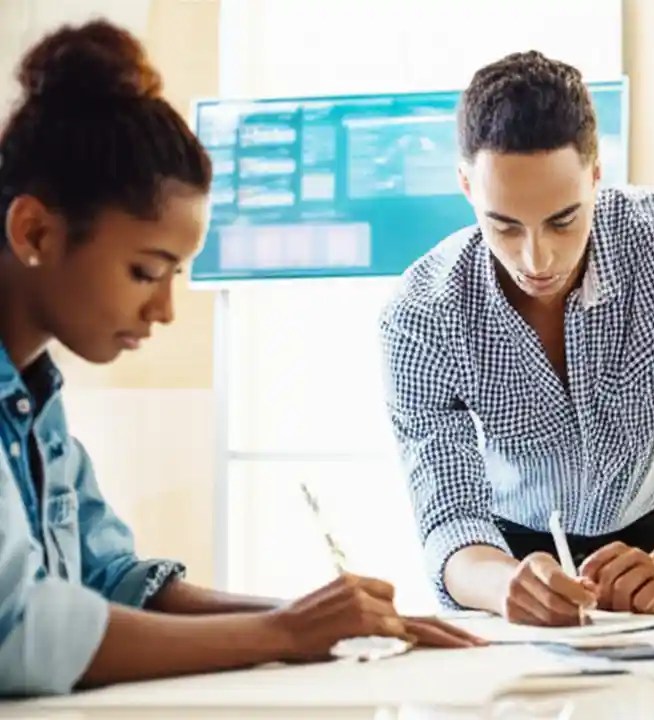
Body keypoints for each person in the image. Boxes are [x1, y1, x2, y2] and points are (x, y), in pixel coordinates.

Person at [0, 21, 480, 697]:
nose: (165, 310)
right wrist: (282, 635)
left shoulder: (34, 401)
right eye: (145, 271)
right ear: (35, 232)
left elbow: (114, 581)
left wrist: (332, 619)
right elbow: (18, 631)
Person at [380, 51, 654, 625]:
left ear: (595, 174)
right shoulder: (421, 314)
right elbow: (450, 521)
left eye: (563, 220)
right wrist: (501, 585)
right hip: (506, 556)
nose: (535, 258)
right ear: (467, 186)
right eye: (504, 225)